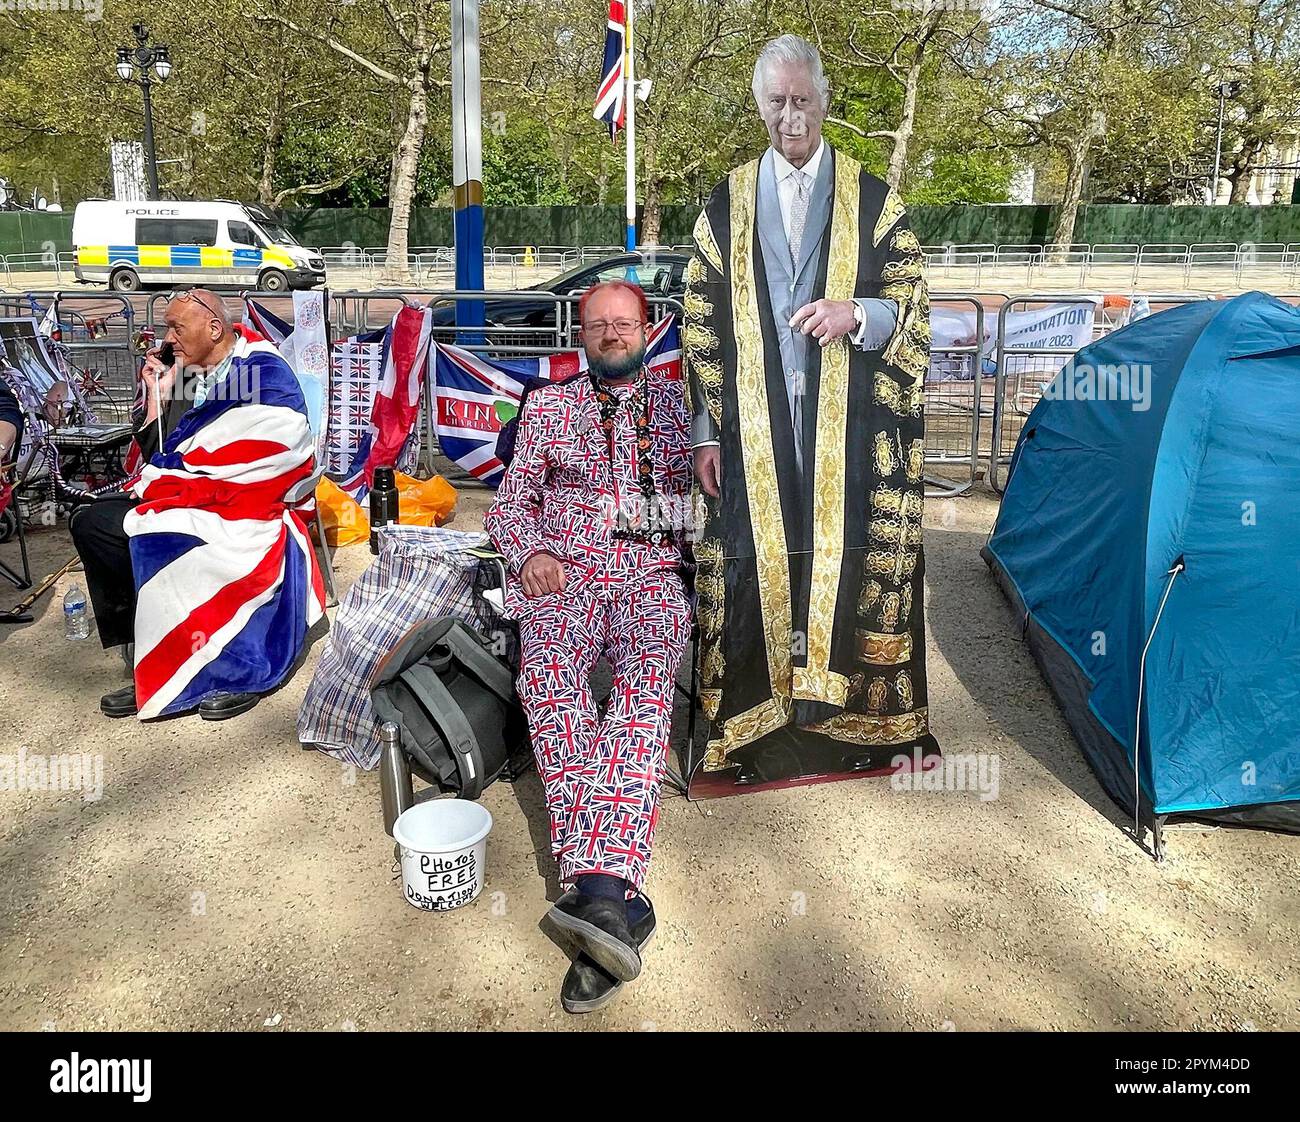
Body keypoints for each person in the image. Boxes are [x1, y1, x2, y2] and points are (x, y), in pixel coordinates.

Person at [684, 33, 939, 786]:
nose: (790, 118)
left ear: (825, 101)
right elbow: (698, 316)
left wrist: (858, 315)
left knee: (844, 555)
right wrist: (706, 432)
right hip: (755, 427)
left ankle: (847, 722)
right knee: (758, 559)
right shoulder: (724, 201)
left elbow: (915, 304)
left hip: (853, 428)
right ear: (759, 105)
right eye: (776, 103)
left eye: (802, 101)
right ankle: (758, 718)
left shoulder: (873, 199)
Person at [483, 279, 692, 1014]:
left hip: (649, 574)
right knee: (546, 677)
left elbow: (704, 501)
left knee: (644, 688)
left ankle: (595, 892)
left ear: (647, 330)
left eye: (624, 323)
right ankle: (614, 901)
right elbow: (510, 503)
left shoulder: (681, 408)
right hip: (561, 576)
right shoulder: (548, 406)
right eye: (598, 324)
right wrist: (529, 550)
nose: (611, 334)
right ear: (581, 335)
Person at [69, 289, 324, 721]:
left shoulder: (262, 372)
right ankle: (150, 655)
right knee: (90, 521)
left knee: (168, 534)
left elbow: (276, 451)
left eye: (176, 327)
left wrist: (177, 482)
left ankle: (233, 669)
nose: (168, 339)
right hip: (189, 492)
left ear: (214, 328)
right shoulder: (187, 373)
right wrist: (157, 397)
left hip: (250, 504)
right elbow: (161, 453)